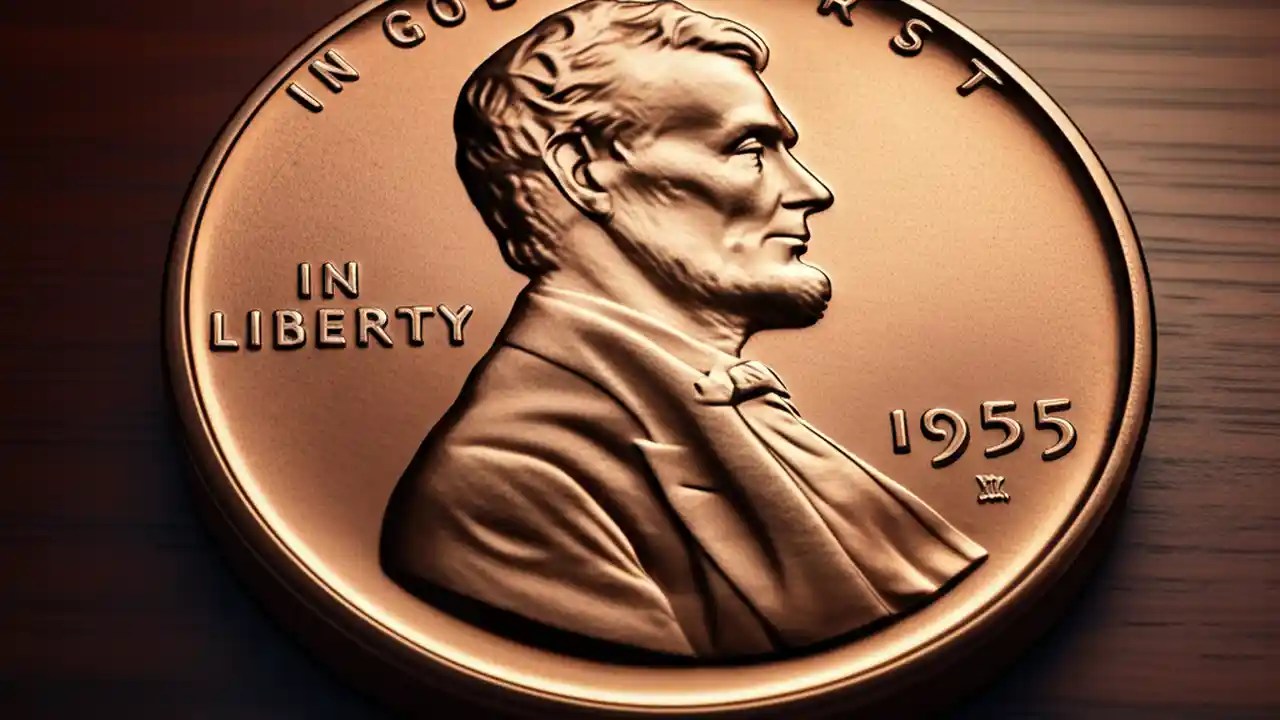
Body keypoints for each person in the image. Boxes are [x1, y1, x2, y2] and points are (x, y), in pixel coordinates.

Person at [381, 0, 986, 659]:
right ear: (584, 171)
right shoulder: (505, 483)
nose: (811, 189)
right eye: (750, 149)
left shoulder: (731, 408)